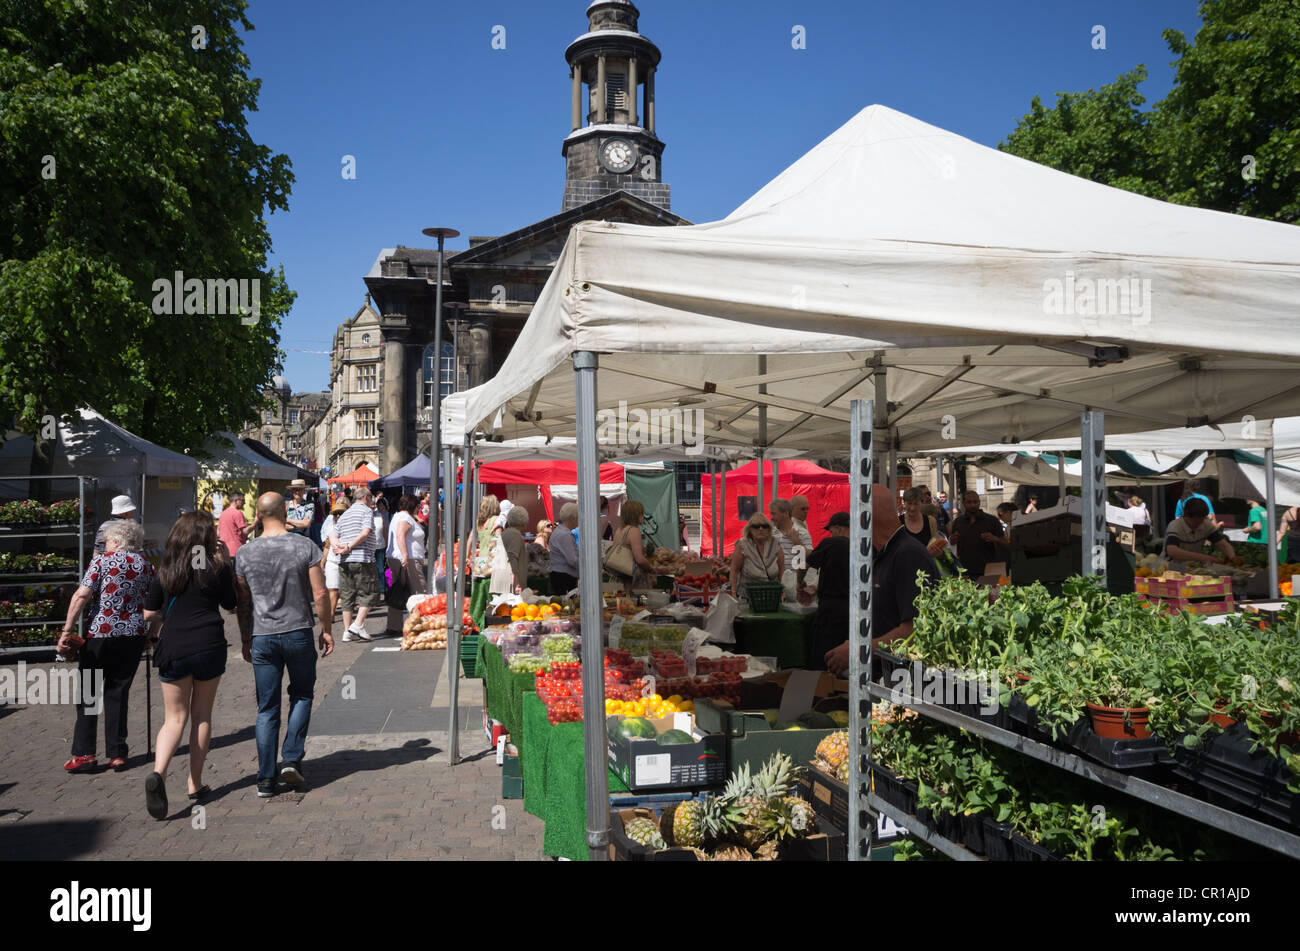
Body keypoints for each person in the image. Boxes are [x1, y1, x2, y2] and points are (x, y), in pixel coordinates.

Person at [234, 492, 332, 797]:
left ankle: (265, 778)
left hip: (263, 635)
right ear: (284, 511)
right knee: (301, 694)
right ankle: (291, 758)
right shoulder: (304, 545)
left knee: (267, 708)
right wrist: (326, 628)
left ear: (259, 515)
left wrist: (245, 637)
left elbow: (243, 601)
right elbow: (320, 594)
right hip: (298, 630)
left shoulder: (245, 553)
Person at [141, 512, 237, 818]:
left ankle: (159, 772)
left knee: (174, 719)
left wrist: (157, 631)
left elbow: (149, 614)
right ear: (206, 538)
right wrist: (226, 563)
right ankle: (195, 783)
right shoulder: (216, 568)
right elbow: (231, 604)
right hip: (209, 643)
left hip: (174, 646)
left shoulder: (165, 570)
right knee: (201, 716)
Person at [60, 520, 156, 773]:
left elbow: (82, 595)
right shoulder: (146, 566)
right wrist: (152, 635)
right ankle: (117, 752)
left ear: (115, 541)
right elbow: (155, 605)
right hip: (132, 634)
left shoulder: (102, 561)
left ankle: (84, 754)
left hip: (101, 633)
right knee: (118, 692)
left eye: (107, 542)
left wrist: (67, 629)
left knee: (89, 693)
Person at [823, 486, 941, 676]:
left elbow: (916, 632)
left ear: (867, 519)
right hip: (886, 676)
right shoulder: (886, 553)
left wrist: (860, 651)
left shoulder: (908, 555)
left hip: (905, 682)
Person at [797, 512, 849, 670]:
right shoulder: (862, 545)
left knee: (823, 658)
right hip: (854, 610)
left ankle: (822, 689)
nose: (831, 534)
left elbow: (805, 565)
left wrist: (800, 583)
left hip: (830, 611)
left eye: (831, 530)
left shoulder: (830, 544)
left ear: (838, 528)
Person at [334, 486, 379, 641]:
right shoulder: (366, 511)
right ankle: (357, 625)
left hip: (345, 561)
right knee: (370, 592)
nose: (372, 501)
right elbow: (365, 532)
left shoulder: (345, 514)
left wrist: (338, 546)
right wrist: (348, 547)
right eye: (371, 498)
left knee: (347, 595)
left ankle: (347, 632)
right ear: (365, 497)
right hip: (362, 558)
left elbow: (333, 534)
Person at [384, 494, 427, 635]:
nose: (418, 509)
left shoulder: (397, 516)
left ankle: (394, 625)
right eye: (417, 506)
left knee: (397, 590)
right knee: (419, 591)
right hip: (409, 559)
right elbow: (400, 534)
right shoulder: (405, 518)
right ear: (412, 506)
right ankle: (420, 624)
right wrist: (405, 555)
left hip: (395, 558)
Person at [950, 490, 1008, 577]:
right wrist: (952, 539)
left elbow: (1006, 545)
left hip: (988, 570)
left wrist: (994, 538)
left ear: (979, 502)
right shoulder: (958, 522)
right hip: (965, 570)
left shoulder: (992, 520)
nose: (973, 505)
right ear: (964, 503)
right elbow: (952, 543)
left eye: (975, 502)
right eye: (969, 502)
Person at [1165, 497, 1236, 565]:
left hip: (1191, 568)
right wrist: (1203, 558)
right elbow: (1172, 551)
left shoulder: (1205, 524)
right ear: (1187, 516)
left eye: (1202, 519)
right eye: (1195, 521)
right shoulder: (1175, 526)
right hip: (1170, 567)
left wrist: (1232, 558)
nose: (1199, 523)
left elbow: (1223, 545)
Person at [729, 512, 784, 600]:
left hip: (772, 596)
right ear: (750, 529)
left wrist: (783, 591)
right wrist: (733, 592)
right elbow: (734, 570)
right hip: (748, 597)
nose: (761, 529)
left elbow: (781, 569)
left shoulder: (775, 543)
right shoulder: (742, 544)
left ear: (768, 529)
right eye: (756, 526)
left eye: (764, 526)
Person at [469, 495, 502, 627]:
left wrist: (467, 557)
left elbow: (470, 539)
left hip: (480, 562)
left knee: (479, 596)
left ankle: (478, 621)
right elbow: (498, 540)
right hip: (492, 562)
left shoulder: (479, 521)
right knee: (492, 596)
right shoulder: (496, 520)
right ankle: (490, 623)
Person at [609, 499, 655, 589]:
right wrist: (651, 569)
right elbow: (639, 559)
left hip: (620, 577)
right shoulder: (634, 531)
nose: (643, 516)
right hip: (632, 579)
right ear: (635, 515)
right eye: (641, 513)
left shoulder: (620, 530)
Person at [319, 498, 348, 624]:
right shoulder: (330, 528)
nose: (338, 516)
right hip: (332, 561)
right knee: (333, 589)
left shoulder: (350, 528)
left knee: (345, 591)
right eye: (336, 514)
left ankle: (347, 617)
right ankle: (331, 614)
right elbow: (327, 546)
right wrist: (322, 561)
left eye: (340, 513)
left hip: (347, 561)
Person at [549, 503, 580, 596]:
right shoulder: (565, 535)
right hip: (564, 577)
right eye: (577, 517)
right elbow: (572, 560)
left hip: (558, 574)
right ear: (572, 518)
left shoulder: (558, 531)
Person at [499, 505, 530, 594]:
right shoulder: (515, 535)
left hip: (504, 578)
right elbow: (513, 556)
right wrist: (516, 582)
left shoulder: (505, 533)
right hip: (512, 583)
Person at [902, 486, 942, 552]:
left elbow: (937, 548)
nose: (912, 508)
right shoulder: (898, 522)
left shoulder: (930, 521)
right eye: (909, 503)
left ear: (922, 503)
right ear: (904, 503)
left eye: (916, 504)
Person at [217, 492, 252, 557]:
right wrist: (255, 523)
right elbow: (245, 531)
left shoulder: (223, 514)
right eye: (243, 500)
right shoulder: (237, 513)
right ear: (236, 501)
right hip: (236, 551)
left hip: (224, 552)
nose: (244, 503)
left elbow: (218, 533)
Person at [527, 518, 553, 592]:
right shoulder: (540, 540)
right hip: (539, 575)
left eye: (551, 525)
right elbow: (539, 559)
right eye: (548, 525)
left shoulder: (545, 541)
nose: (551, 526)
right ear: (542, 528)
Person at [374, 496, 389, 597]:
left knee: (380, 568)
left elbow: (384, 532)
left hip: (380, 545)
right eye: (377, 505)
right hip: (370, 547)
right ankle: (375, 589)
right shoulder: (368, 515)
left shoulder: (382, 516)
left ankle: (382, 588)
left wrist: (388, 545)